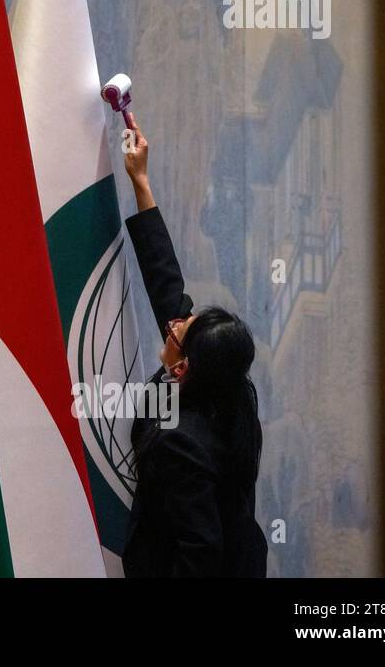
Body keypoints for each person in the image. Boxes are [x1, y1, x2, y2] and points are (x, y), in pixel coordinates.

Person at [120, 114, 267, 577]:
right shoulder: (227, 392)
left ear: (182, 369)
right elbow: (167, 282)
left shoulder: (180, 443)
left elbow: (200, 554)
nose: (176, 321)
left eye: (180, 330)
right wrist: (141, 181)